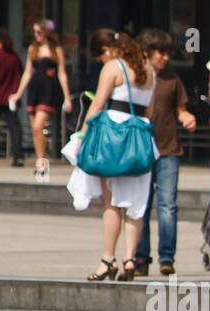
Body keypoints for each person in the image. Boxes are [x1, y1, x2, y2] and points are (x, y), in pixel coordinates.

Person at [66, 31, 154, 283]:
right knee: (135, 206)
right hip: (140, 139)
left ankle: (108, 259)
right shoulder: (148, 69)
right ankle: (129, 258)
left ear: (108, 50)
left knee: (111, 203)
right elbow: (150, 109)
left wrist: (82, 137)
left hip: (113, 138)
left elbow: (97, 104)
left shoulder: (113, 67)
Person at [132, 30, 194, 278]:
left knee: (167, 205)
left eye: (168, 53)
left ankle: (166, 258)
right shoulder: (134, 79)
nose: (166, 58)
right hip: (140, 150)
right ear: (147, 53)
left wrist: (186, 116)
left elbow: (180, 110)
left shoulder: (172, 80)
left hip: (168, 149)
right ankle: (139, 258)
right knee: (141, 207)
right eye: (162, 53)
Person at [8, 19, 71, 183]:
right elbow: (27, 72)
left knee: (38, 125)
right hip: (34, 88)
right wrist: (18, 93)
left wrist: (67, 96)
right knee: (35, 128)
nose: (36, 35)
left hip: (49, 88)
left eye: (38, 32)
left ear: (46, 33)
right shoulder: (32, 49)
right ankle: (40, 159)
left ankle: (42, 161)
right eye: (34, 32)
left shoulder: (56, 50)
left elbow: (62, 73)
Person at [0, 30, 24, 167]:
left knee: (12, 126)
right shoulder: (14, 57)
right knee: (14, 127)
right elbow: (21, 74)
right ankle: (18, 156)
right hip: (11, 97)